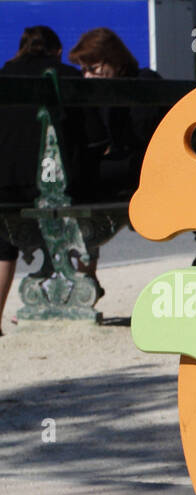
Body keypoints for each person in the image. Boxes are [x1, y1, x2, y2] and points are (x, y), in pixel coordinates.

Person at [0, 25, 86, 328]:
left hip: (5, 183)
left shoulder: (4, 75)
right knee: (83, 207)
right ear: (58, 51)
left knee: (3, 242)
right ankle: (87, 287)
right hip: (55, 185)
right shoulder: (68, 75)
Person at [68, 27, 165, 201]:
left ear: (114, 59)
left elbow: (142, 133)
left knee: (88, 176)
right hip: (131, 162)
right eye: (83, 71)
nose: (88, 76)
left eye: (93, 68)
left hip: (150, 163)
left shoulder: (143, 80)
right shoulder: (104, 92)